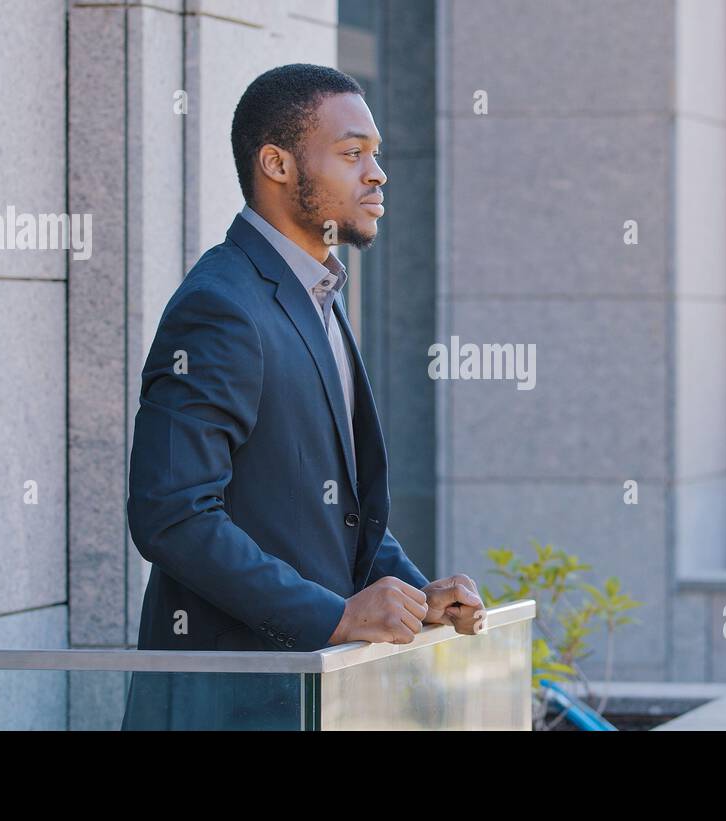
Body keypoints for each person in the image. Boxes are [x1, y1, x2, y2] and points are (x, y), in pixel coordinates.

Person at [121, 64, 485, 730]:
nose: (376, 173)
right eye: (352, 154)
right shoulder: (220, 305)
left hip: (311, 700)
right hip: (231, 708)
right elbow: (171, 514)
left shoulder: (320, 299)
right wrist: (338, 614)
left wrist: (413, 593)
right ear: (277, 164)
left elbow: (328, 513)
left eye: (375, 154)